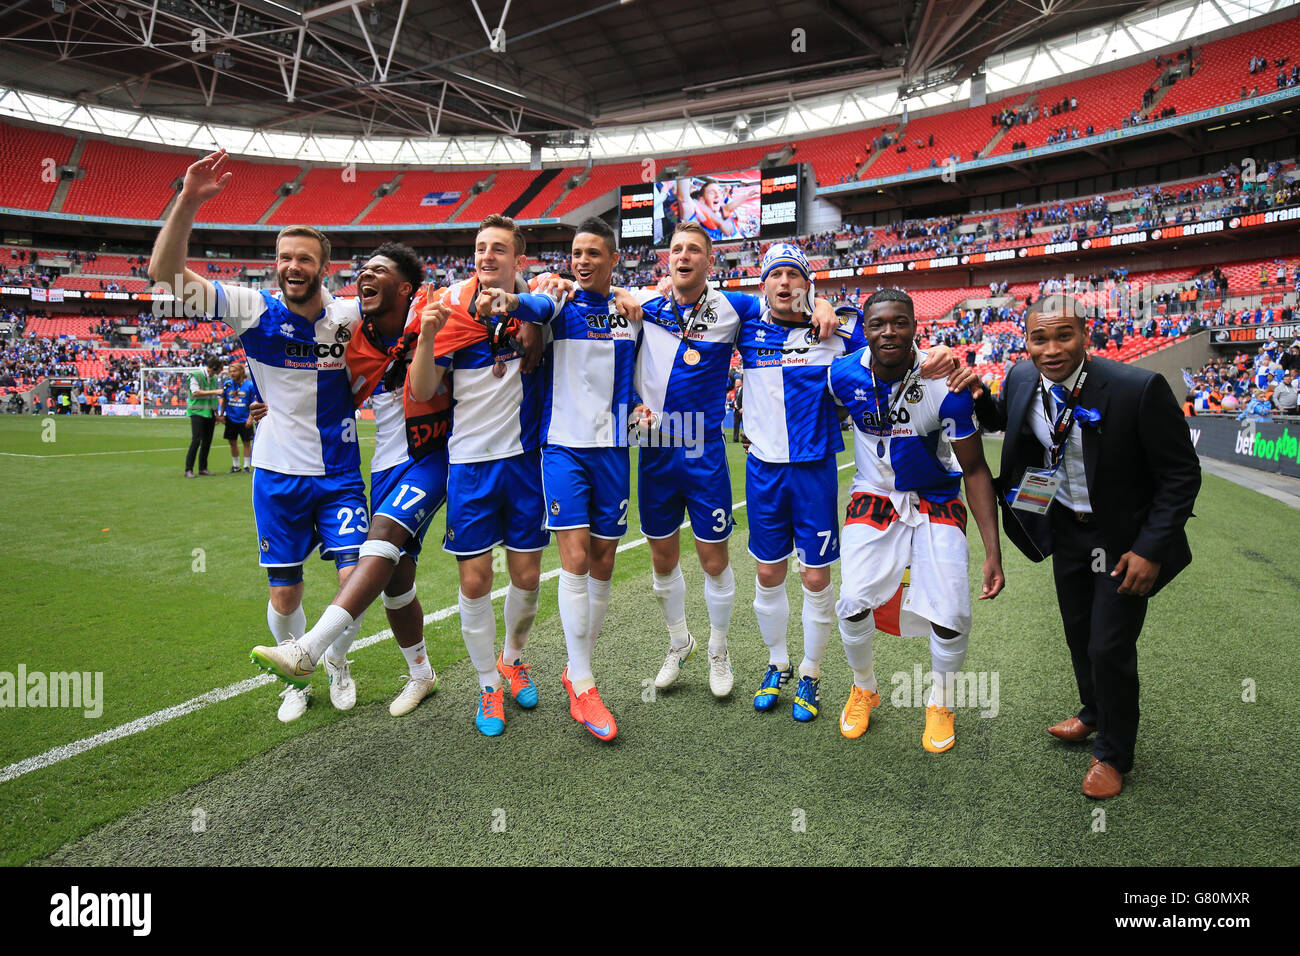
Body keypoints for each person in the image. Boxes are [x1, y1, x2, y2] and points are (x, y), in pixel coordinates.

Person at [150, 147, 372, 723]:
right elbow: (166, 276)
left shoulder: (349, 317)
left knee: (355, 578)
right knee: (285, 593)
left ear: (325, 266)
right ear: (275, 264)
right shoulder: (252, 309)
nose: (293, 266)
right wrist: (188, 201)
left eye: (305, 258)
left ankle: (332, 660)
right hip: (275, 473)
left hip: (341, 474)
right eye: (284, 257)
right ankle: (292, 680)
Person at [962, 294, 1200, 799]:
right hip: (1067, 530)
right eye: (1039, 338)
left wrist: (1151, 548)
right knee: (1077, 633)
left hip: (1123, 540)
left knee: (1108, 645)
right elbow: (1007, 419)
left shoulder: (1139, 387)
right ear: (1025, 342)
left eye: (1063, 335)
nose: (1051, 348)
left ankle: (1114, 754)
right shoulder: (1024, 376)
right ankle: (1093, 711)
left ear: (1085, 335)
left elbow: (1181, 474)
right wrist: (981, 395)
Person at [630, 222, 839, 700]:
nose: (683, 256)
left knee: (714, 559)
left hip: (704, 450)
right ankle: (678, 642)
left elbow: (789, 303)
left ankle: (718, 650)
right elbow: (601, 298)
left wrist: (822, 301)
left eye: (694, 250)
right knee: (662, 559)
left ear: (710, 262)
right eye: (676, 249)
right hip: (656, 450)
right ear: (667, 261)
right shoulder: (644, 306)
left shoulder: (736, 307)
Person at [253, 243, 460, 720]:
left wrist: (564, 283)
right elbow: (303, 375)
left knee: (379, 542)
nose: (365, 276)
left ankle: (307, 653)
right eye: (362, 270)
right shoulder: (353, 337)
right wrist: (265, 404)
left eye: (379, 271)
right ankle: (422, 674)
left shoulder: (435, 311)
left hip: (433, 457)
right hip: (383, 467)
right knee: (396, 585)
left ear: (406, 287)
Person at [485, 217, 645, 741]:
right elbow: (530, 305)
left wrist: (641, 406)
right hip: (564, 450)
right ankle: (583, 683)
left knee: (602, 562)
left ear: (613, 260)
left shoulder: (630, 312)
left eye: (594, 254)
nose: (582, 261)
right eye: (576, 252)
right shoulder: (558, 300)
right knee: (574, 559)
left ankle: (577, 668)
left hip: (614, 452)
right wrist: (506, 302)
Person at [828, 289, 1004, 754]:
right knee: (851, 600)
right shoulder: (842, 374)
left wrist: (992, 550)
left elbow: (975, 470)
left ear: (915, 327)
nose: (889, 331)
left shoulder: (946, 385)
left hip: (935, 497)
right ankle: (864, 685)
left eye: (899, 322)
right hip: (875, 495)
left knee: (952, 614)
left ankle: (941, 699)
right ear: (864, 331)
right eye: (878, 323)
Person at [407, 215, 553, 738]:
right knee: (475, 579)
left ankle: (513, 659)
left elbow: (596, 293)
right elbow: (423, 391)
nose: (486, 256)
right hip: (469, 463)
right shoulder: (450, 310)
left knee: (529, 576)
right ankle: (488, 683)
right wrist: (426, 337)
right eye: (479, 247)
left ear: (518, 259)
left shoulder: (541, 300)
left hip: (525, 461)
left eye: (498, 248)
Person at [184, 357, 223, 477]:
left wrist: (216, 414)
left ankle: (203, 468)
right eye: (220, 368)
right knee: (196, 440)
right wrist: (215, 392)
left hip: (209, 412)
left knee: (207, 441)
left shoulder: (215, 378)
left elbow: (213, 398)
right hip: (197, 412)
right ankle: (188, 470)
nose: (221, 371)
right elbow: (195, 392)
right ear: (214, 367)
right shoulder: (196, 375)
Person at [220, 363, 258, 473]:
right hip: (231, 418)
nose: (232, 373)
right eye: (230, 371)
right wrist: (221, 414)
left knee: (246, 442)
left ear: (241, 371)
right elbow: (224, 400)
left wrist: (250, 419)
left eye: (234, 371)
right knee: (232, 442)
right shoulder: (228, 384)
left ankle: (246, 466)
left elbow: (253, 403)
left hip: (245, 418)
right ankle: (236, 466)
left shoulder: (250, 385)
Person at [731, 376, 743, 443]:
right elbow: (736, 400)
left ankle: (745, 439)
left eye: (737, 382)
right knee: (736, 425)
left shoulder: (744, 390)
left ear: (741, 383)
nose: (736, 383)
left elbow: (746, 400)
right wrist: (732, 405)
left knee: (744, 426)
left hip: (742, 410)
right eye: (735, 382)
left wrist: (743, 408)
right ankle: (735, 439)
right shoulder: (737, 391)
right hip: (736, 410)